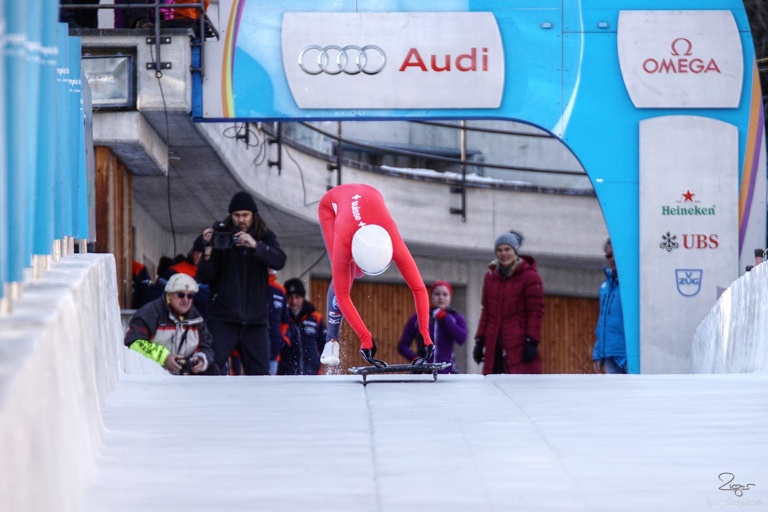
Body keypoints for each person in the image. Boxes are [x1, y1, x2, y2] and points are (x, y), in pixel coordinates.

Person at [318, 183, 434, 368]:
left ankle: (356, 271)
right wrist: (365, 337)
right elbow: (342, 295)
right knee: (345, 276)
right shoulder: (343, 243)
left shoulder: (393, 241)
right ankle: (331, 341)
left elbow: (419, 288)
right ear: (352, 255)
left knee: (354, 273)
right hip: (332, 206)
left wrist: (425, 334)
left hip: (370, 196)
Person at [196, 191, 287, 375]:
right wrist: (208, 249)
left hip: (256, 321)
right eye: (237, 216)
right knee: (208, 370)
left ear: (254, 215)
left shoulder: (264, 236)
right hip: (223, 318)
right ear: (231, 216)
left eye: (245, 215)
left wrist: (255, 246)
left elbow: (279, 260)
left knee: (260, 375)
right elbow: (204, 277)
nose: (241, 220)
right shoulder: (222, 236)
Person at [473, 231, 544, 374]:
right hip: (495, 343)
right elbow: (486, 311)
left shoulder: (530, 277)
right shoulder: (490, 277)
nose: (503, 253)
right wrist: (480, 340)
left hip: (519, 342)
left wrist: (531, 340)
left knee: (519, 388)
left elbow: (535, 311)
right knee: (493, 388)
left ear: (515, 251)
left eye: (507, 249)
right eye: (499, 250)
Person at [123, 273, 216, 375]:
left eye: (190, 296)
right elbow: (132, 343)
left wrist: (201, 360)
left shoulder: (197, 319)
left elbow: (206, 345)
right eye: (180, 295)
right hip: (152, 373)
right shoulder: (150, 313)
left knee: (214, 370)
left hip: (186, 375)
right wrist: (164, 357)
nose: (185, 300)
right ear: (169, 295)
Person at [397, 280, 467, 373]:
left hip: (447, 372)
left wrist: (445, 318)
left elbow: (461, 338)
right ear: (430, 296)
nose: (441, 297)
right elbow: (402, 346)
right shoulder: (418, 317)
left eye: (445, 294)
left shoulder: (456, 317)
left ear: (450, 297)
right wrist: (417, 360)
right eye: (437, 294)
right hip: (422, 372)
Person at [592, 238, 627, 374]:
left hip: (628, 355)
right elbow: (603, 323)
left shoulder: (633, 286)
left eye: (615, 253)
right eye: (608, 255)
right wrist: (597, 353)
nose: (612, 259)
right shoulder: (605, 288)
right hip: (610, 356)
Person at [278, 278, 325, 375]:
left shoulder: (316, 318)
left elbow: (324, 344)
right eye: (290, 297)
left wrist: (319, 364)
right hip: (285, 375)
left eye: (297, 297)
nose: (293, 301)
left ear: (303, 298)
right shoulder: (279, 318)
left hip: (312, 374)